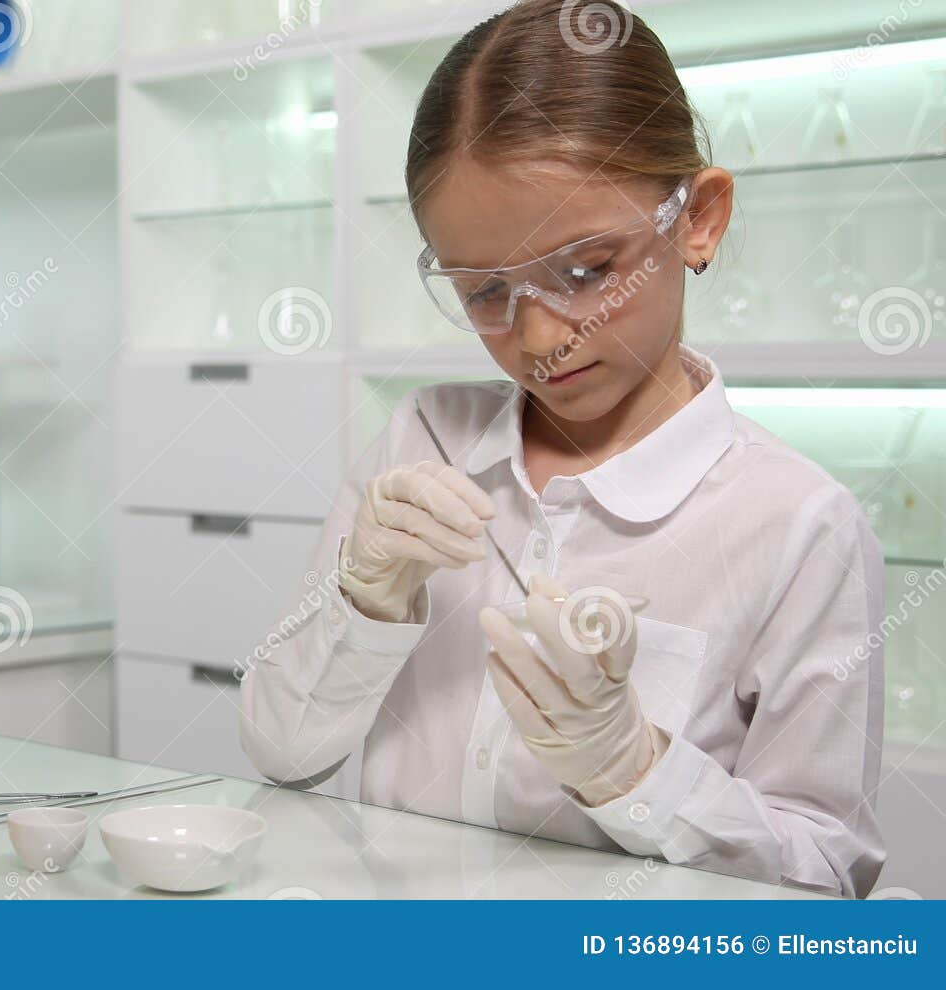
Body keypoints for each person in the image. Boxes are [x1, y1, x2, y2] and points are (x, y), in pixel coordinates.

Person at [239, 0, 885, 897]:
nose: (539, 335)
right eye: (484, 290)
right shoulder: (424, 439)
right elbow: (281, 751)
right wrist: (363, 602)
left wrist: (636, 769)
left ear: (698, 217)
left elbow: (826, 871)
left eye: (587, 272)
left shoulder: (798, 524)